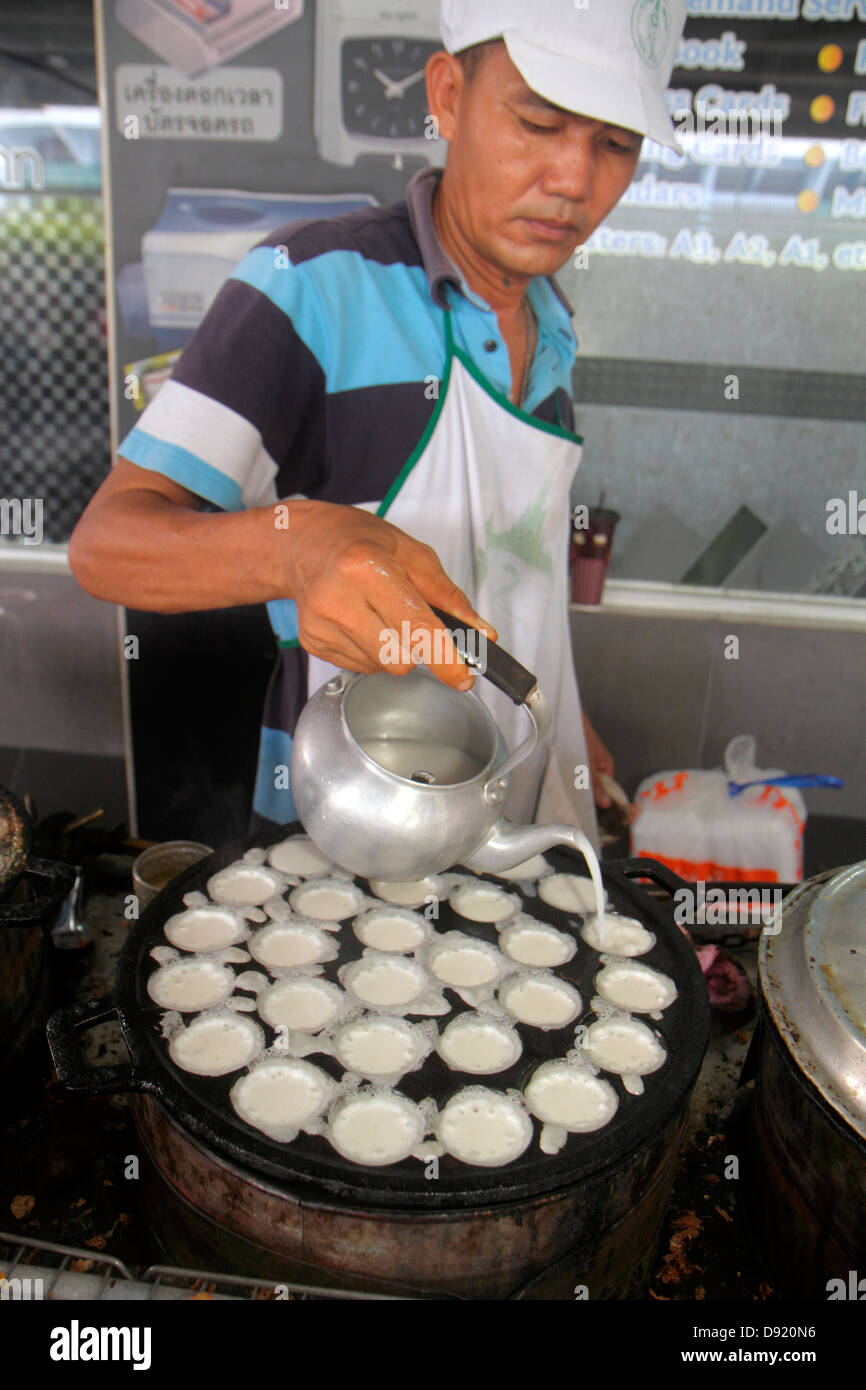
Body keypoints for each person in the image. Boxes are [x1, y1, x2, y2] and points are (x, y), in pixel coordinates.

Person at [70, 0, 688, 846]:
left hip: (515, 807)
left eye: (615, 143)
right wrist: (299, 547)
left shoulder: (551, 325)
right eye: (539, 123)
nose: (576, 179)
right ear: (446, 95)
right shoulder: (315, 285)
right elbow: (108, 544)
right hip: (348, 813)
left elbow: (515, 568)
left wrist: (569, 728)